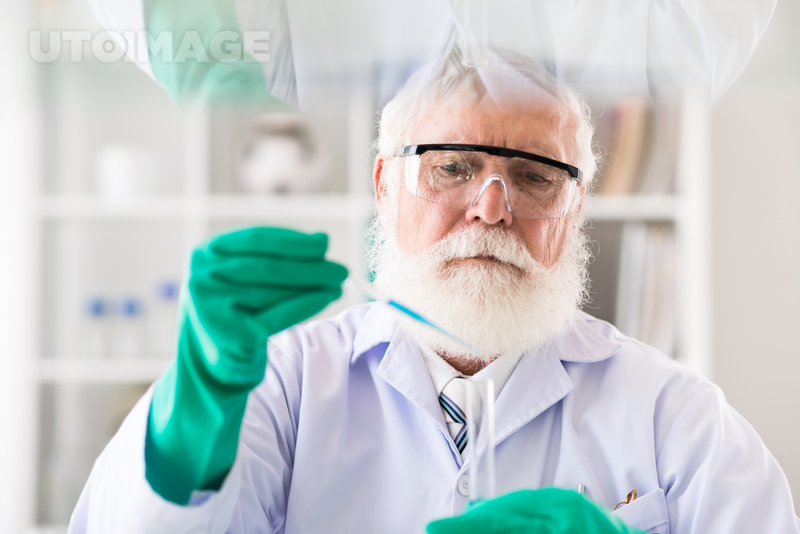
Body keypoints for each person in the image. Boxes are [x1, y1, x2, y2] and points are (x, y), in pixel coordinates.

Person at [68, 49, 799, 533]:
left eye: (535, 176)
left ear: (575, 209)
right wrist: (190, 419)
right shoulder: (285, 385)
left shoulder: (677, 416)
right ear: (384, 186)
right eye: (452, 167)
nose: (492, 208)